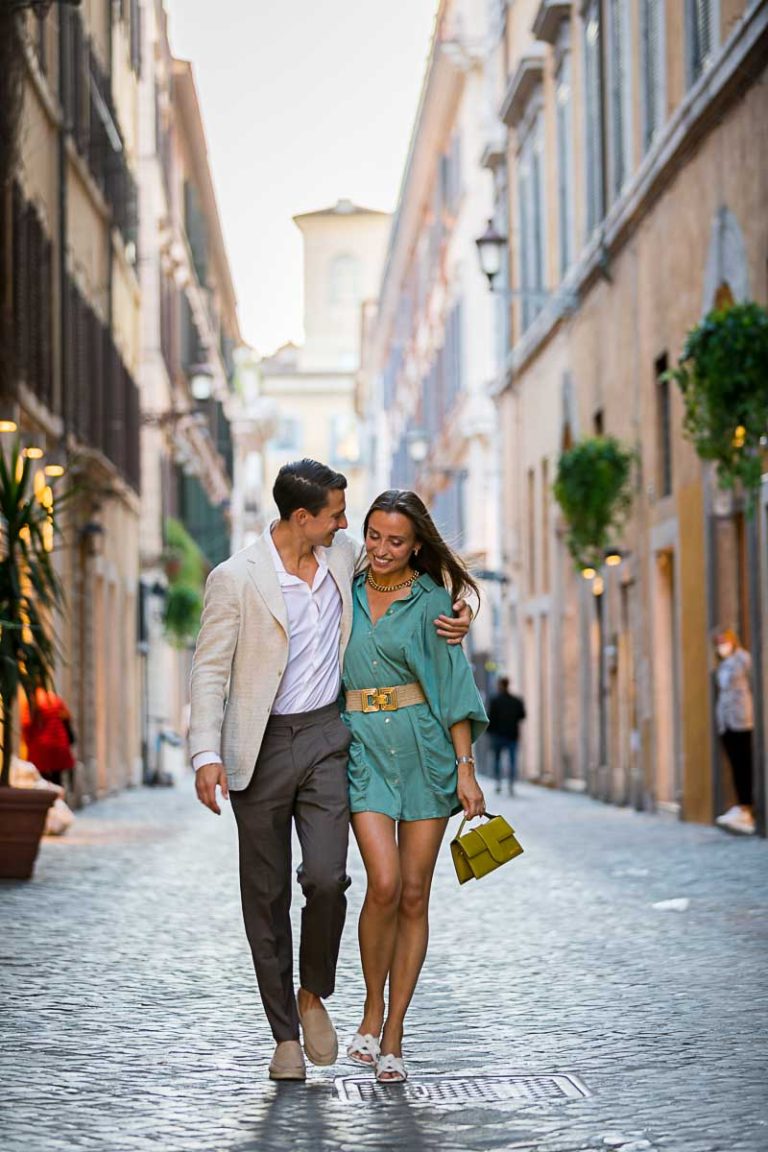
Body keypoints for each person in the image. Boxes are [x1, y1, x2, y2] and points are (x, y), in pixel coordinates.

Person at [189, 460, 470, 1082]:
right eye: (337, 515)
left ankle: (312, 992)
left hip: (326, 737)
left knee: (326, 878)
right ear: (302, 517)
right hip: (259, 746)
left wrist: (461, 614)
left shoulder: (344, 557)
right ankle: (285, 1036)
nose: (347, 525)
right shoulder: (235, 578)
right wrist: (206, 753)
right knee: (265, 894)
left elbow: (416, 574)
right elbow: (208, 670)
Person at [342, 489, 487, 1084]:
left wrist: (465, 768)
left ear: (416, 545)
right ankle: (370, 1008)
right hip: (363, 752)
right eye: (374, 536)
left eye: (395, 541)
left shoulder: (432, 603)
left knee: (414, 895)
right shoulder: (343, 589)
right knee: (382, 883)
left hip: (425, 754)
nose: (381, 549)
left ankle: (395, 1033)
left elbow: (452, 686)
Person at [713, 628, 755, 836]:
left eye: (724, 640)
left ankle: (747, 807)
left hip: (741, 719)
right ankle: (741, 806)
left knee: (744, 762)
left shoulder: (743, 659)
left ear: (732, 639)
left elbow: (753, 684)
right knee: (734, 763)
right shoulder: (722, 664)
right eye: (718, 642)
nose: (721, 645)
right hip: (726, 722)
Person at [20, 686, 76, 789]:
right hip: (59, 745)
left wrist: (27, 740)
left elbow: (27, 724)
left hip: (41, 747)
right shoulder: (54, 698)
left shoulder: (33, 700)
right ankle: (58, 797)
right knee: (57, 778)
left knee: (42, 781)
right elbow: (67, 716)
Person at [486, 677, 526, 795]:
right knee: (512, 761)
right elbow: (522, 715)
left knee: (497, 760)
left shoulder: (494, 700)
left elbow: (490, 717)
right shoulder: (516, 700)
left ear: (499, 685)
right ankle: (511, 784)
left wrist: (490, 732)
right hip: (512, 735)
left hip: (498, 735)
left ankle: (498, 783)